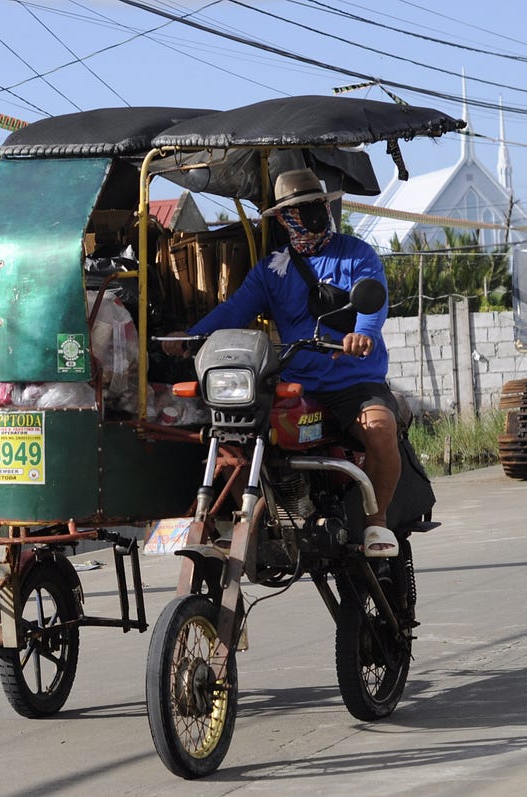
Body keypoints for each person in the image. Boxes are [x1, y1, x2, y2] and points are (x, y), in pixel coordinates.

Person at [163, 168, 401, 557]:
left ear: (326, 206)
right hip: (293, 381)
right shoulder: (272, 269)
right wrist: (191, 338)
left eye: (315, 205)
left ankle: (377, 524)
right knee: (234, 436)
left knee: (381, 429)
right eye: (298, 208)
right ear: (282, 218)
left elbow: (373, 309)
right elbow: (234, 310)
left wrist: (364, 336)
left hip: (351, 380)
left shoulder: (358, 254)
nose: (309, 214)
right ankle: (255, 523)